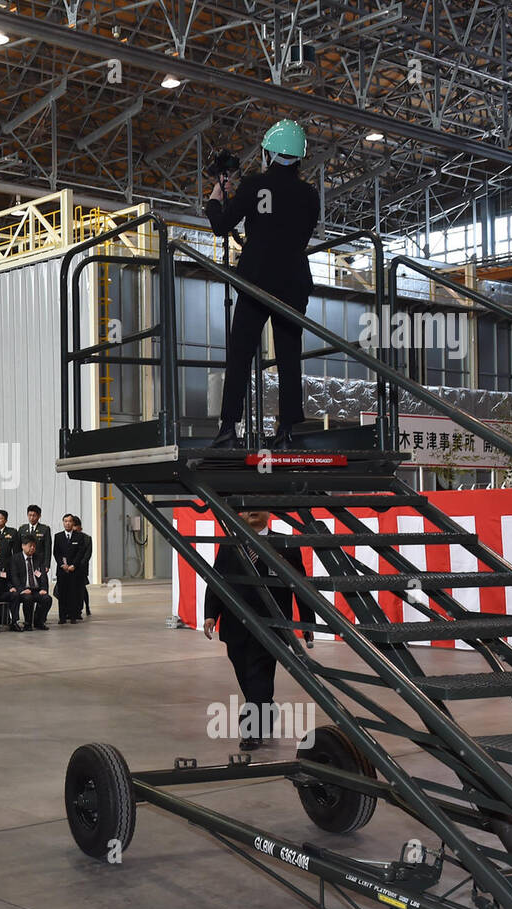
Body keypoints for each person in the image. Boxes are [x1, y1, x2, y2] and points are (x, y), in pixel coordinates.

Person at [205, 118, 321, 450]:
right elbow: (292, 233)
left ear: (268, 155)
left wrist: (217, 196)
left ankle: (229, 429)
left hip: (256, 281)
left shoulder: (254, 186)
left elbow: (222, 225)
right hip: (294, 282)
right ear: (299, 157)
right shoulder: (309, 195)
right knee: (289, 358)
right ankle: (288, 433)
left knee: (240, 354)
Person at [202, 509, 312, 750]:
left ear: (268, 514)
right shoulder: (230, 545)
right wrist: (211, 614)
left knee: (258, 674)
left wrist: (307, 622)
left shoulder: (285, 545)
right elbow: (217, 582)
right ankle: (265, 708)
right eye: (244, 508)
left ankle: (253, 730)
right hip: (235, 625)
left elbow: (300, 586)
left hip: (271, 626)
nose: (251, 511)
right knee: (244, 672)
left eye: (257, 506)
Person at [10, 535, 52, 631]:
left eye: (34, 546)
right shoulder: (16, 558)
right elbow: (14, 577)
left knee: (47, 599)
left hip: (36, 589)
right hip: (23, 589)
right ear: (23, 546)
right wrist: (22, 590)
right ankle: (28, 623)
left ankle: (39, 621)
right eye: (30, 546)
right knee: (28, 598)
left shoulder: (39, 558)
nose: (32, 548)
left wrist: (44, 589)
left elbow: (43, 576)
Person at [55, 514, 89, 624]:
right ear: (63, 522)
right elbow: (56, 553)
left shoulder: (79, 537)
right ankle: (62, 617)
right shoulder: (58, 536)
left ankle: (73, 616)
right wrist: (62, 564)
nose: (67, 523)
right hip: (62, 570)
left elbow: (80, 552)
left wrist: (73, 565)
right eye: (65, 521)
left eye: (70, 521)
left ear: (73, 523)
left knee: (73, 594)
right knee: (62, 593)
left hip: (74, 570)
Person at [17, 505, 51, 571]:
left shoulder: (45, 529)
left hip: (39, 561)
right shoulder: (22, 528)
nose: (31, 518)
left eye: (34, 515)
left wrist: (47, 564)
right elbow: (18, 546)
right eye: (30, 515)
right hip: (24, 560)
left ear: (39, 516)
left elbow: (47, 548)